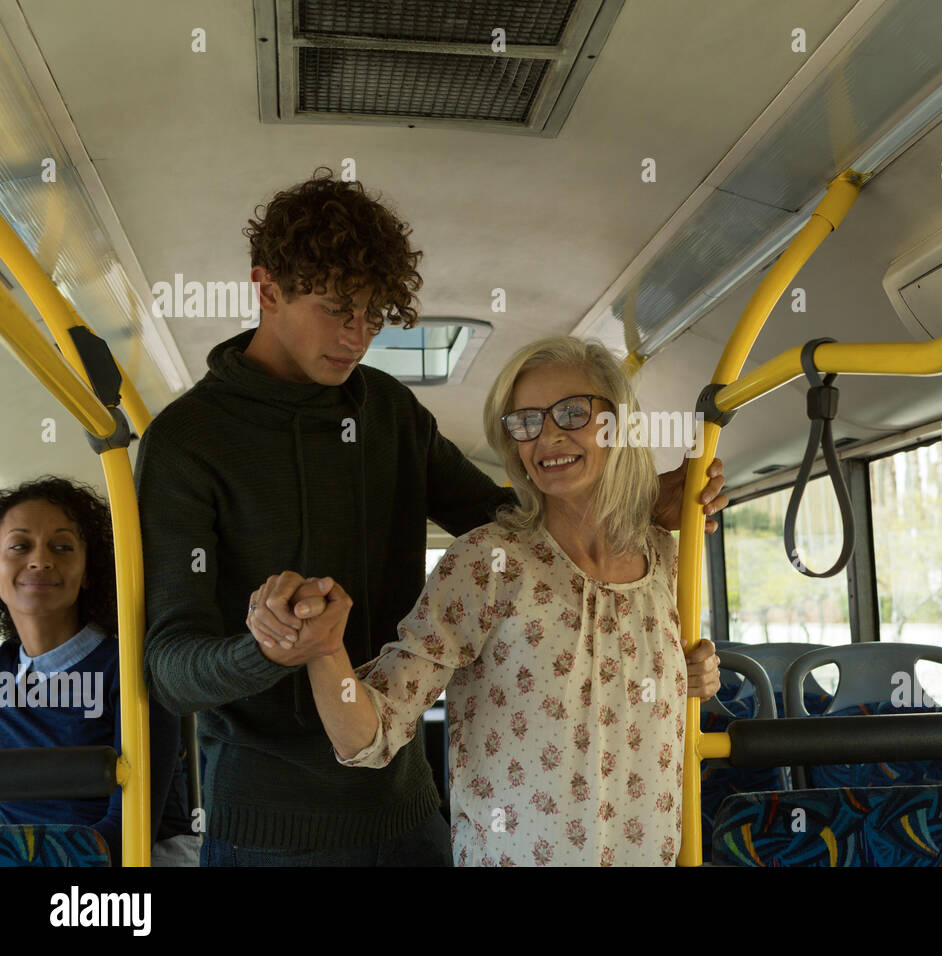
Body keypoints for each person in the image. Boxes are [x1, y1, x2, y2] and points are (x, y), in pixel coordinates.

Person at [136, 169, 727, 867]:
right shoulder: (189, 440)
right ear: (267, 290)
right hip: (268, 826)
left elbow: (523, 527)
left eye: (373, 315)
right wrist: (263, 647)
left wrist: (630, 502)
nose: (357, 337)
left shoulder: (387, 413)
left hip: (407, 810)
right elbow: (169, 670)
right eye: (336, 309)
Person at [264, 336, 717, 865]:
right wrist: (324, 651)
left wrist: (693, 672)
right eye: (525, 422)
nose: (547, 436)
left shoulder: (665, 556)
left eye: (571, 412)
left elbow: (640, 694)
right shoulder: (488, 564)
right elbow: (371, 735)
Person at [0, 476, 193, 866]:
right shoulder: (4, 667)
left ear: (88, 572)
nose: (40, 560)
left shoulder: (131, 669)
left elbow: (128, 830)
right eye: (20, 546)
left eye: (63, 547)